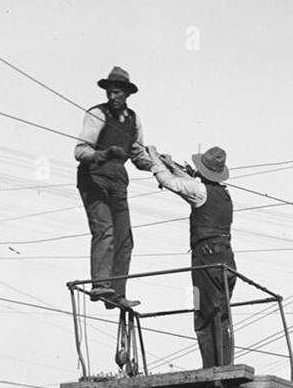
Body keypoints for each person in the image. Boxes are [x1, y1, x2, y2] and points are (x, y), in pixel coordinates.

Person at [148, 144, 236, 367]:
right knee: (221, 315)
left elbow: (172, 183)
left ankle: (211, 368)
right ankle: (223, 365)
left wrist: (154, 160)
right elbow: (192, 182)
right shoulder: (224, 193)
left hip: (205, 260)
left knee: (202, 312)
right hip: (227, 261)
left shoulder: (200, 192)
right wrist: (171, 163)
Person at [74, 67, 152, 307]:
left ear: (126, 94)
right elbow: (80, 151)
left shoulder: (133, 119)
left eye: (117, 92)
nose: (113, 96)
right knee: (105, 230)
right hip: (94, 177)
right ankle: (101, 285)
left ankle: (116, 294)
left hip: (118, 178)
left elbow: (139, 154)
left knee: (125, 238)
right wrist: (104, 153)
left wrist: (158, 165)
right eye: (110, 92)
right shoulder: (97, 114)